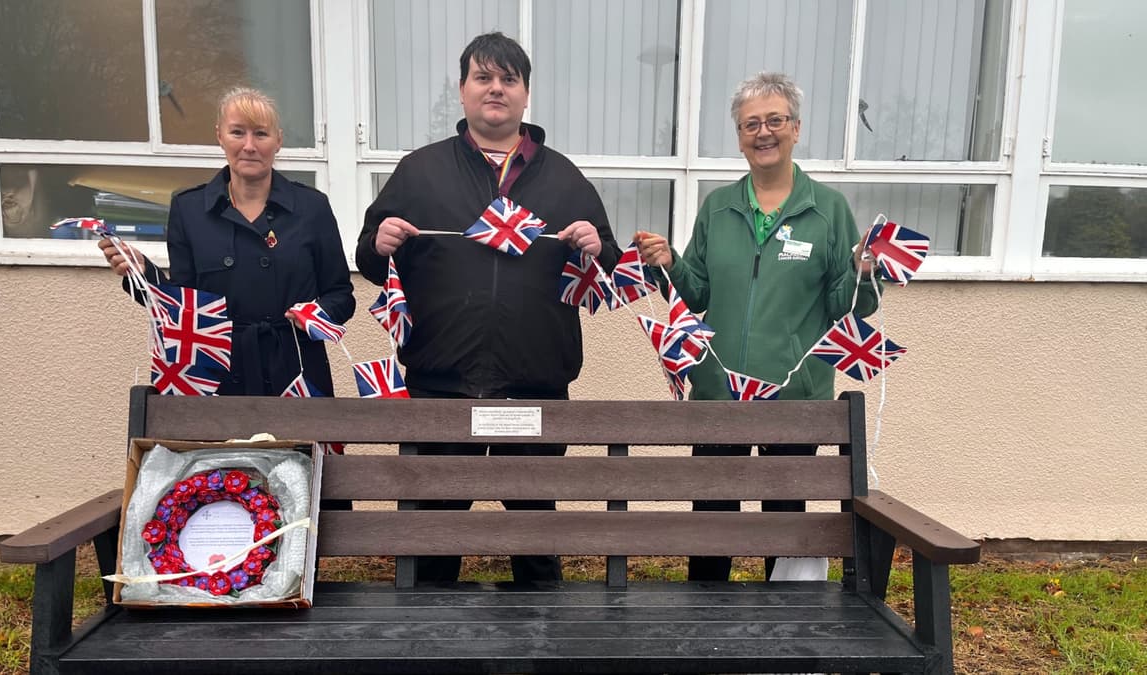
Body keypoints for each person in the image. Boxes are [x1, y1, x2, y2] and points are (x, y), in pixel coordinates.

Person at [355, 32, 620, 585]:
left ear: (525, 95)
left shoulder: (563, 176)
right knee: (435, 533)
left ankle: (541, 636)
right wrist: (375, 245)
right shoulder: (419, 171)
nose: (495, 89)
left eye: (508, 79)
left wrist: (600, 247)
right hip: (442, 383)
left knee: (534, 532)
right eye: (483, 77)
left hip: (534, 386)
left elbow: (609, 271)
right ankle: (429, 642)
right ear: (462, 90)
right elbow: (372, 261)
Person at [635, 72, 880, 582]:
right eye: (751, 124)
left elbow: (847, 308)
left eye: (774, 120)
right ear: (740, 135)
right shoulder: (717, 207)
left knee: (785, 521)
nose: (762, 132)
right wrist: (667, 263)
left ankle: (784, 628)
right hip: (718, 392)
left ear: (796, 128)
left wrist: (863, 271)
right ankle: (706, 622)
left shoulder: (829, 210)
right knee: (713, 520)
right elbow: (695, 293)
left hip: (796, 395)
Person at [100, 87, 355, 396]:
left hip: (296, 371)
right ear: (220, 135)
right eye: (238, 133)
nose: (249, 146)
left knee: (301, 446)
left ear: (279, 140)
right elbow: (183, 310)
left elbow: (341, 296)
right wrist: (143, 273)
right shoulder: (189, 209)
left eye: (261, 134)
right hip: (219, 375)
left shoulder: (311, 207)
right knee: (225, 447)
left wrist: (314, 316)